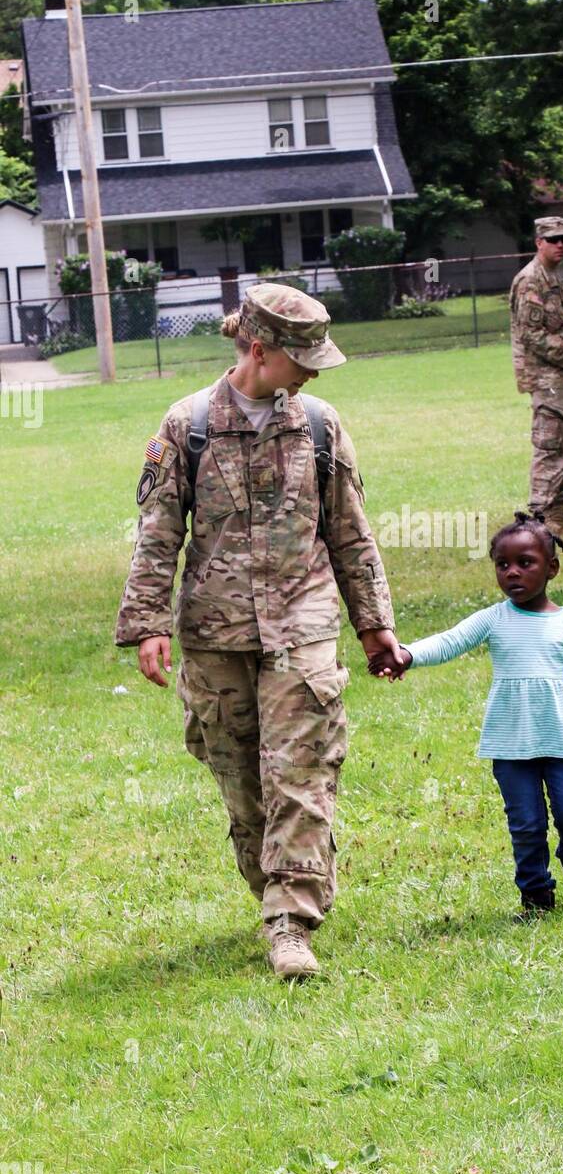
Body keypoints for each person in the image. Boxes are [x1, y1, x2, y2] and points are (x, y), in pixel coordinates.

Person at [115, 283, 402, 981]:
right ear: (259, 349)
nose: (313, 371)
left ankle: (290, 922)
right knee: (242, 781)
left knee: (300, 775)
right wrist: (149, 622)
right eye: (301, 358)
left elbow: (351, 535)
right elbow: (158, 535)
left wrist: (374, 626)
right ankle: (271, 889)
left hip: (303, 627)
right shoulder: (188, 425)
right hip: (216, 634)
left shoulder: (322, 426)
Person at [367, 511, 563, 918]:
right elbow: (450, 641)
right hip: (510, 747)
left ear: (552, 568)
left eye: (526, 563)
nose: (512, 573)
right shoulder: (494, 619)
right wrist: (406, 654)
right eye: (502, 564)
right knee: (526, 827)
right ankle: (536, 897)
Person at [509, 216, 563, 534]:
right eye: (554, 239)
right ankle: (539, 518)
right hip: (547, 379)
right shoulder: (530, 279)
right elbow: (532, 335)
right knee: (550, 446)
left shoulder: (551, 277)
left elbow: (557, 326)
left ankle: (558, 511)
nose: (561, 245)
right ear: (539, 242)